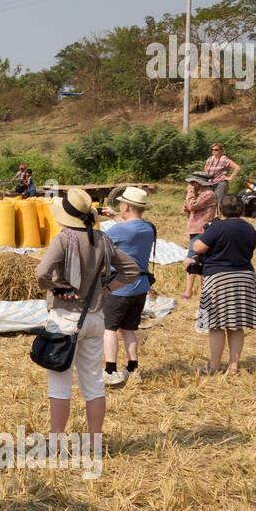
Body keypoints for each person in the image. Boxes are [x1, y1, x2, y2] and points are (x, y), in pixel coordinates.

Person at [35, 189, 139, 451]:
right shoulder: (103, 239)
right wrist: (104, 290)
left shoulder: (63, 239)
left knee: (60, 385)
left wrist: (56, 289)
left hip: (64, 318)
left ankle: (56, 443)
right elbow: (131, 270)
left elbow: (41, 273)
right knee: (92, 383)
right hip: (95, 319)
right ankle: (94, 442)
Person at [192, 194, 256, 374]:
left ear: (220, 209)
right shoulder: (249, 228)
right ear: (242, 209)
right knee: (236, 325)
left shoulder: (218, 226)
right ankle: (234, 366)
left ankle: (214, 366)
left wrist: (206, 233)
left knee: (215, 325)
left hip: (219, 278)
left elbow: (197, 247)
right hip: (245, 277)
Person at [98, 186, 156, 386]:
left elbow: (99, 245)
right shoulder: (148, 228)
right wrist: (116, 216)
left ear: (126, 206)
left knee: (109, 328)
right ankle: (133, 368)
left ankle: (110, 370)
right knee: (129, 328)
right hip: (140, 286)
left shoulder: (119, 229)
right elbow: (130, 228)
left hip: (119, 286)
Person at [181, 173, 218, 300]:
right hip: (197, 230)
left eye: (193, 183)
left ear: (199, 183)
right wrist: (189, 210)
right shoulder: (203, 194)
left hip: (201, 231)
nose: (191, 185)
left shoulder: (208, 194)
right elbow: (194, 208)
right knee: (198, 260)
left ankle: (190, 292)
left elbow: (193, 205)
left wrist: (189, 193)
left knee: (192, 260)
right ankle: (195, 291)